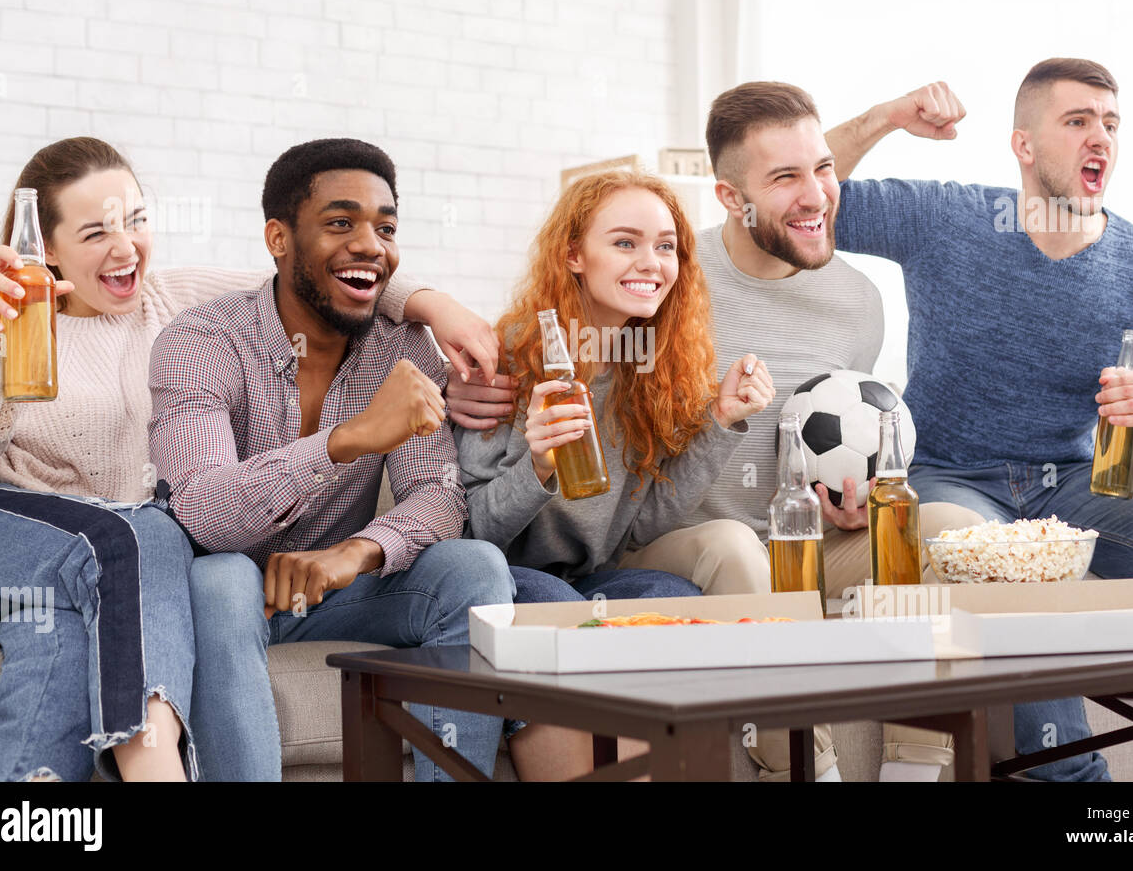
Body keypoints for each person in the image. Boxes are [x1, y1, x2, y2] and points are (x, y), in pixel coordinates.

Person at [448, 84, 983, 782]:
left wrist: (859, 490)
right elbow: (556, 365)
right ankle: (798, 761)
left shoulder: (853, 301)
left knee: (944, 525)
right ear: (732, 199)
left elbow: (848, 424)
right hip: (686, 546)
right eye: (784, 177)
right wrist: (469, 379)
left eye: (822, 169)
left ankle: (919, 767)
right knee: (731, 547)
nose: (816, 194)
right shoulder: (668, 285)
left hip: (800, 539)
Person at [825, 57, 1133, 781]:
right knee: (993, 556)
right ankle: (1072, 784)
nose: (1101, 139)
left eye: (1111, 124)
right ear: (1024, 144)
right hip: (952, 478)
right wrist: (886, 118)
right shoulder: (947, 218)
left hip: (1080, 488)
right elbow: (808, 197)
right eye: (1077, 121)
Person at [149, 138, 516, 782]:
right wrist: (349, 438)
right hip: (229, 593)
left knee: (475, 567)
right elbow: (206, 514)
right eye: (340, 223)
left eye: (386, 227)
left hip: (333, 591)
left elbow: (439, 495)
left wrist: (357, 553)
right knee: (223, 577)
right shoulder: (200, 340)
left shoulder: (400, 348)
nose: (371, 243)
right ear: (278, 238)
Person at [458, 171, 776, 779]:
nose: (651, 262)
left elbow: (637, 527)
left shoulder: (655, 370)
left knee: (674, 601)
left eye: (666, 246)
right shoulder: (506, 362)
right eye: (625, 242)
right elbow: (472, 536)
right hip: (507, 578)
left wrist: (719, 421)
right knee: (557, 606)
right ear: (574, 255)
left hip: (592, 577)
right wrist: (539, 467)